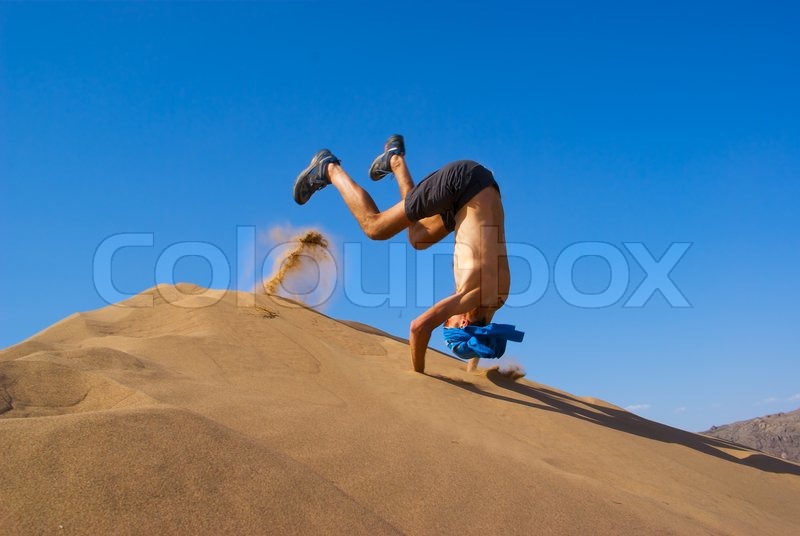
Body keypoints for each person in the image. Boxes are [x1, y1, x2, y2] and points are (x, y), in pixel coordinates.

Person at [293, 135, 520, 373]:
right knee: (375, 227)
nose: (446, 316)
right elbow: (418, 328)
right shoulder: (472, 296)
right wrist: (418, 375)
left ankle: (394, 158)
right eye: (448, 323)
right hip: (462, 182)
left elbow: (481, 330)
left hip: (480, 189)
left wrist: (473, 362)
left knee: (418, 237)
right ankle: (329, 167)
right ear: (463, 322)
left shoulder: (497, 298)